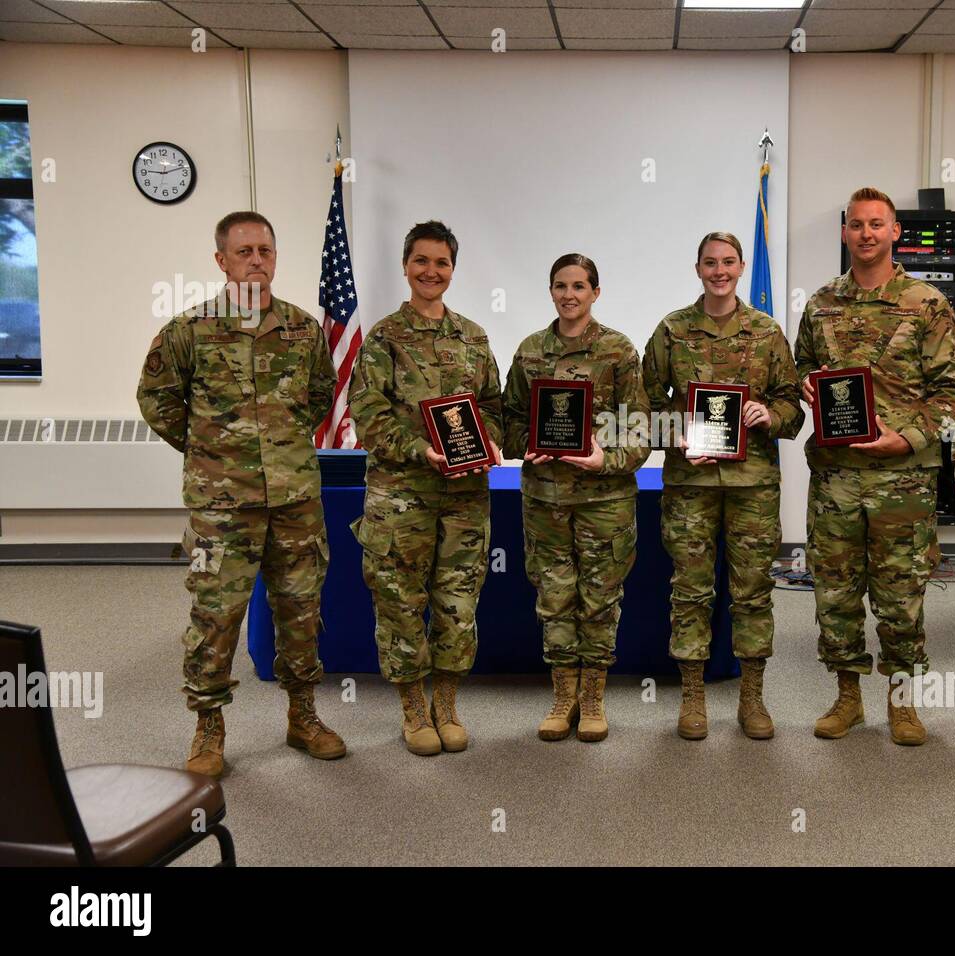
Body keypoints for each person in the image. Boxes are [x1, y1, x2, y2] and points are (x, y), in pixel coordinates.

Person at [137, 210, 346, 777]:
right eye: (245, 251)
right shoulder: (189, 331)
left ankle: (303, 715)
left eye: (266, 251)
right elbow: (157, 400)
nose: (257, 260)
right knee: (217, 612)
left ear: (276, 258)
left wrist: (277, 444)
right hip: (221, 506)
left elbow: (321, 397)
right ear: (221, 260)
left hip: (295, 499)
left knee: (300, 610)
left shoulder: (304, 330)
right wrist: (210, 451)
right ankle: (208, 726)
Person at [794, 186, 955, 746]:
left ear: (896, 232)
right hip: (835, 477)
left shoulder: (928, 304)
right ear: (845, 232)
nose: (866, 234)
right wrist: (803, 386)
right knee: (835, 593)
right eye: (856, 225)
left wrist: (910, 437)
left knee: (900, 594)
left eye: (877, 225)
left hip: (903, 480)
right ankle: (847, 697)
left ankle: (902, 701)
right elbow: (802, 366)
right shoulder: (821, 302)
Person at [348, 220, 503, 756]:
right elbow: (366, 417)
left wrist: (492, 443)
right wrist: (422, 451)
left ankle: (447, 704)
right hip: (401, 495)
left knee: (458, 601)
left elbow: (492, 407)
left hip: (465, 496)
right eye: (421, 261)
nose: (430, 271)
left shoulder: (474, 337)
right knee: (400, 602)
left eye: (441, 263)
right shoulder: (384, 340)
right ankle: (414, 709)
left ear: (453, 270)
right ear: (405, 265)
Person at [642, 232, 804, 740]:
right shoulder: (671, 331)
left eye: (728, 262)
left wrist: (767, 413)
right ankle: (692, 695)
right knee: (690, 590)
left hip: (752, 484)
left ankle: (751, 696)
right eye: (710, 262)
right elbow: (642, 409)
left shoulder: (766, 332)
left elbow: (793, 406)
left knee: (753, 590)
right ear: (698, 269)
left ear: (740, 268)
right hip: (690, 483)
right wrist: (681, 426)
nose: (719, 270)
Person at [502, 254, 650, 742]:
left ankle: (592, 701)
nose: (570, 294)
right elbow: (509, 424)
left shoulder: (618, 351)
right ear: (551, 292)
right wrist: (528, 446)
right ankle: (562, 696)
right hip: (545, 499)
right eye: (561, 286)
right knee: (554, 596)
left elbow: (640, 431)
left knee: (600, 600)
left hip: (604, 500)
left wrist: (602, 459)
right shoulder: (528, 352)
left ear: (595, 293)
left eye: (580, 286)